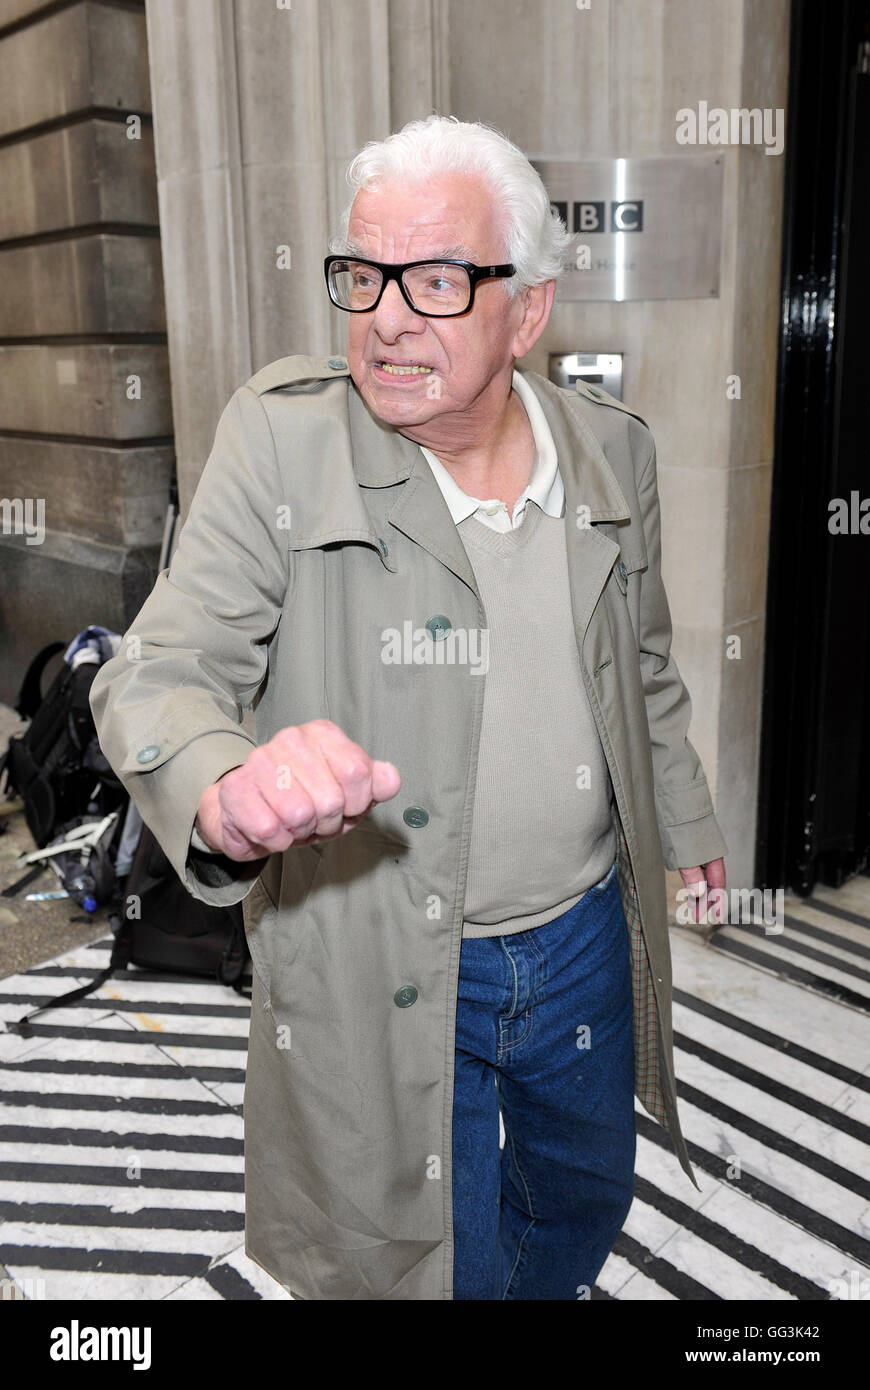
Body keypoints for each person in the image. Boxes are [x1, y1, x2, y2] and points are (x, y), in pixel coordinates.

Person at [90, 114, 727, 1301]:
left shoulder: (610, 455)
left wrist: (685, 823)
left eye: (435, 280)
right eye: (363, 275)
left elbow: (641, 666)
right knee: (426, 1260)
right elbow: (159, 666)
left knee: (583, 1192)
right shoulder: (281, 444)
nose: (385, 317)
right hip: (387, 947)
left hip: (585, 932)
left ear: (527, 310)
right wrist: (222, 781)